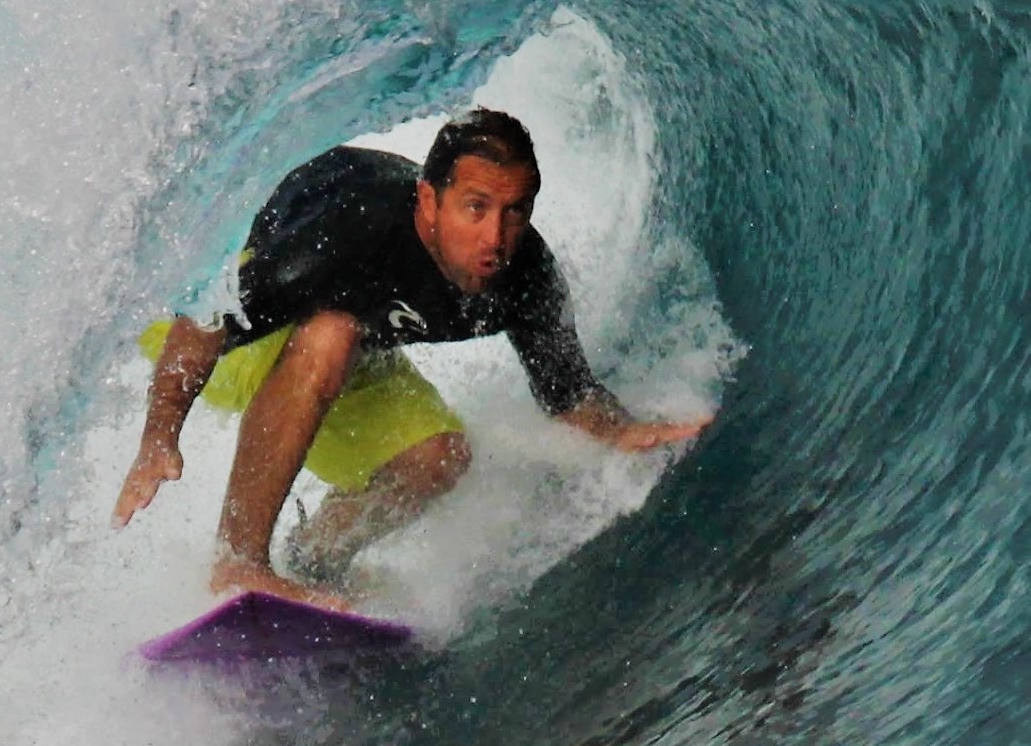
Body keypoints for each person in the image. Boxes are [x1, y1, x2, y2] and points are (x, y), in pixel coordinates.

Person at [112, 109, 709, 605]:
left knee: (439, 457)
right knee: (332, 333)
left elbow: (568, 394)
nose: (495, 238)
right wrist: (159, 436)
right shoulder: (344, 239)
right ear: (429, 202)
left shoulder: (524, 276)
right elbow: (203, 325)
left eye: (515, 211)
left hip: (345, 350)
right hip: (216, 337)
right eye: (475, 208)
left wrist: (626, 432)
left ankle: (315, 557)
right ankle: (239, 562)